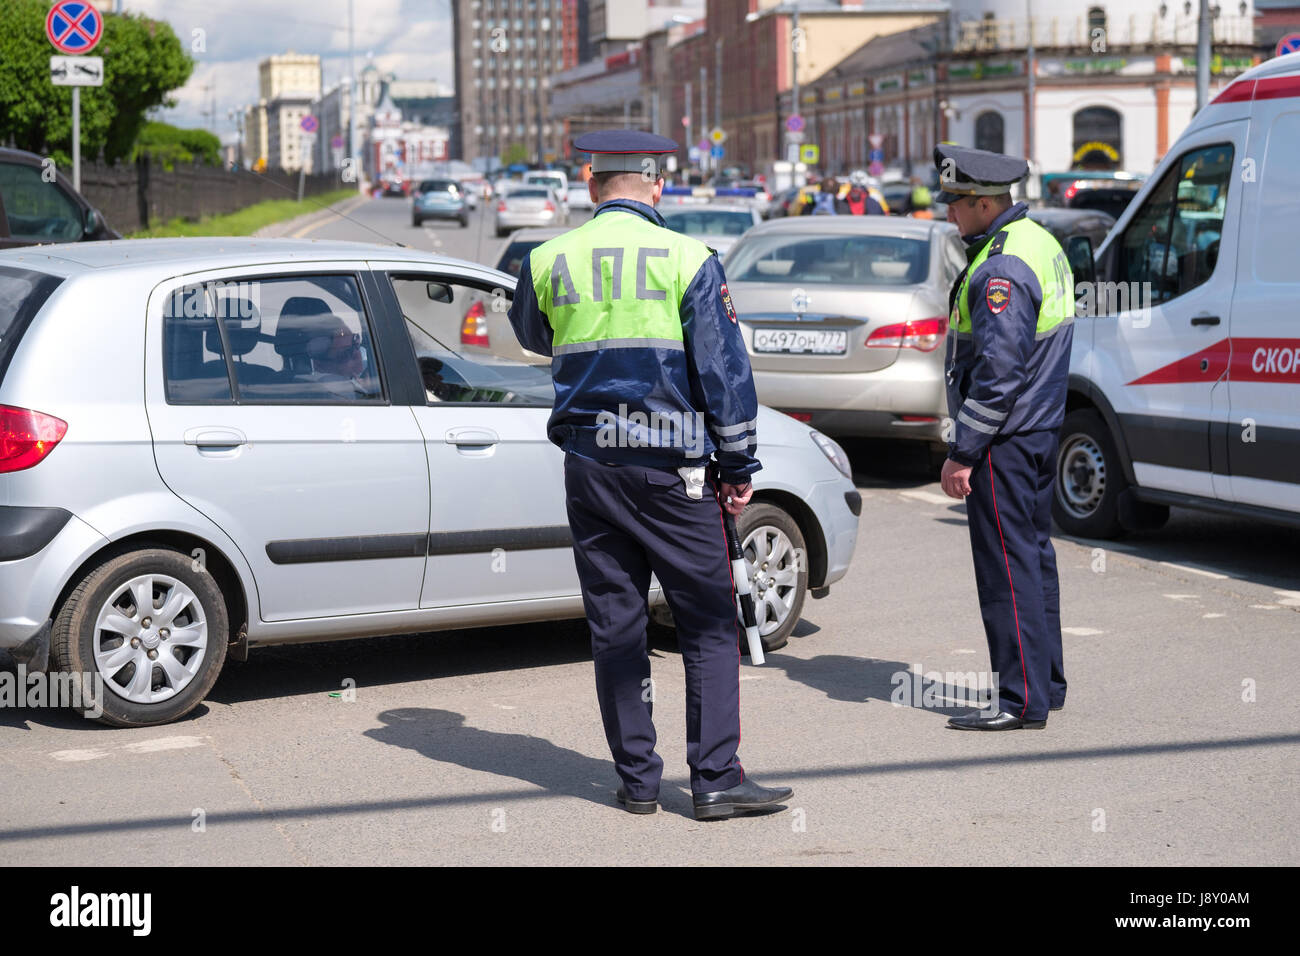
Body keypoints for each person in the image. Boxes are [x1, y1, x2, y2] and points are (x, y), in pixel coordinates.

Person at [506, 129, 793, 819]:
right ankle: (716, 779)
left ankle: (637, 781)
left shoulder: (547, 258)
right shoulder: (689, 259)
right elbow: (723, 373)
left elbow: (532, 334)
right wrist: (738, 466)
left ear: (589, 182)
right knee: (707, 624)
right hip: (676, 472)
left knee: (617, 626)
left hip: (591, 467)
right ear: (656, 183)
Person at [934, 143, 1073, 731]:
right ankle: (1047, 682)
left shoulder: (1001, 268)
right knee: (1033, 558)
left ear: (985, 203)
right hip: (1038, 428)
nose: (950, 215)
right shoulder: (1035, 243)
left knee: (1006, 568)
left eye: (958, 204)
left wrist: (965, 450)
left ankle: (1019, 699)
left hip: (1004, 438)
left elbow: (998, 372)